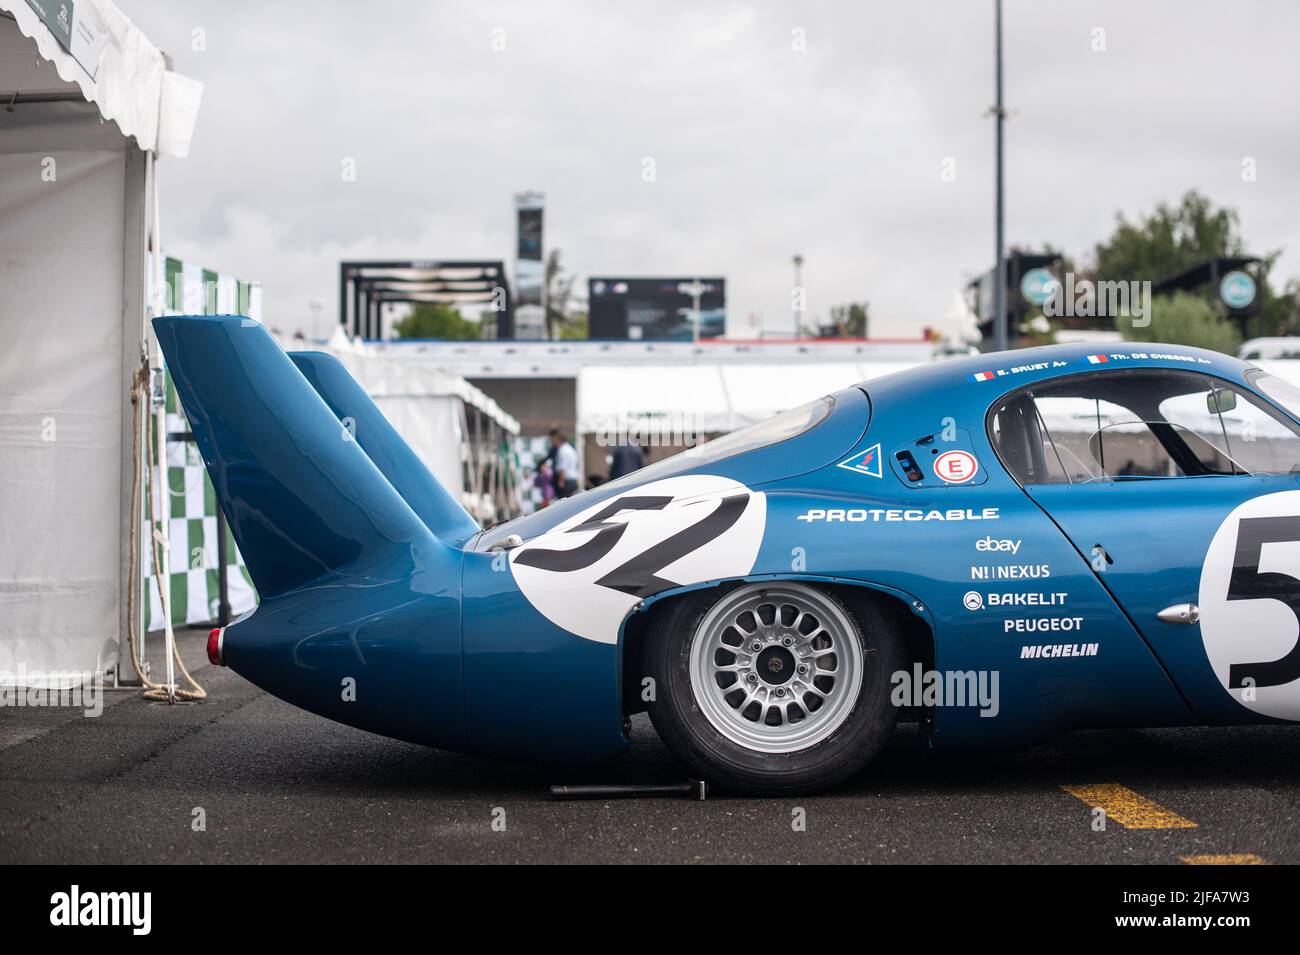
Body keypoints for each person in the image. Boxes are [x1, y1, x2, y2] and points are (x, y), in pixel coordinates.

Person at [549, 429, 579, 498]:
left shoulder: (562, 450)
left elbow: (563, 468)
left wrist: (561, 481)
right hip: (572, 479)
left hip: (566, 481)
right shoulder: (569, 448)